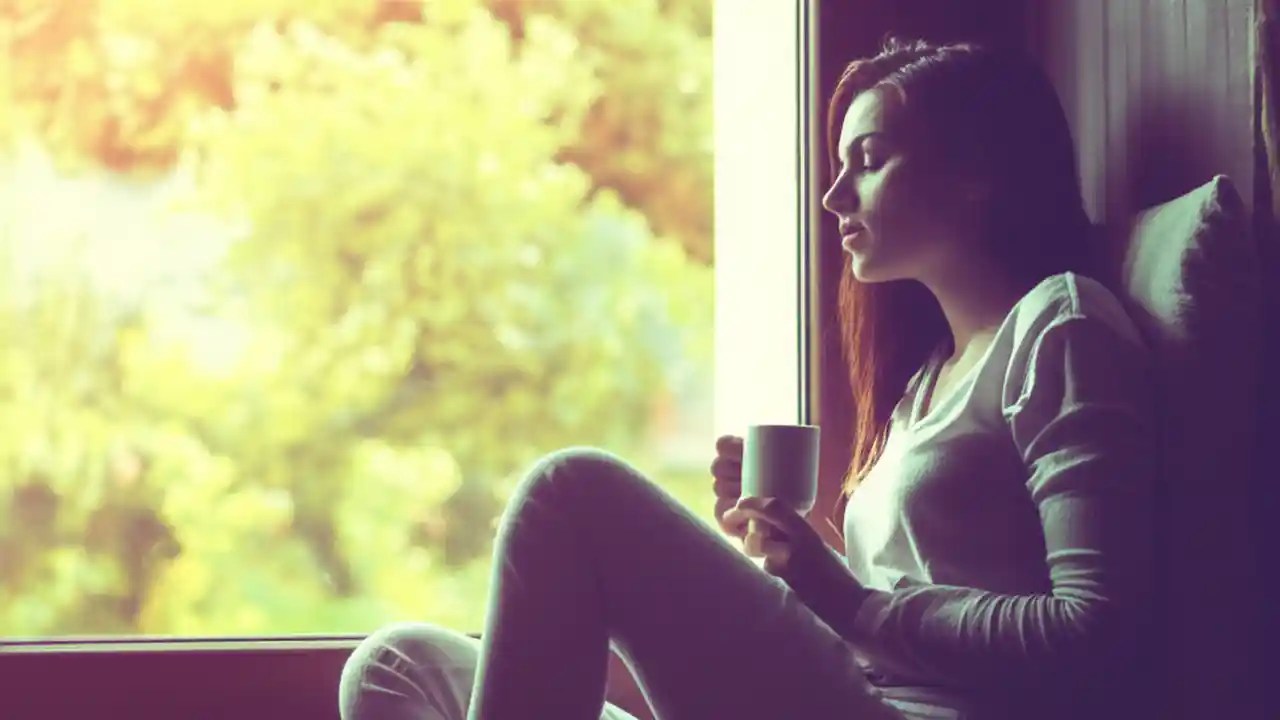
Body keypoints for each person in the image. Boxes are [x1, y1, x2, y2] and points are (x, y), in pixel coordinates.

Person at [337, 37, 1157, 720]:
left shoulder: (1062, 326)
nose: (835, 195)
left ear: (977, 172)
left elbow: (1099, 634)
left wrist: (849, 602)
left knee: (569, 493)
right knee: (394, 664)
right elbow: (895, 603)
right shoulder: (929, 379)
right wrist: (795, 554)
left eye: (868, 160)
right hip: (861, 689)